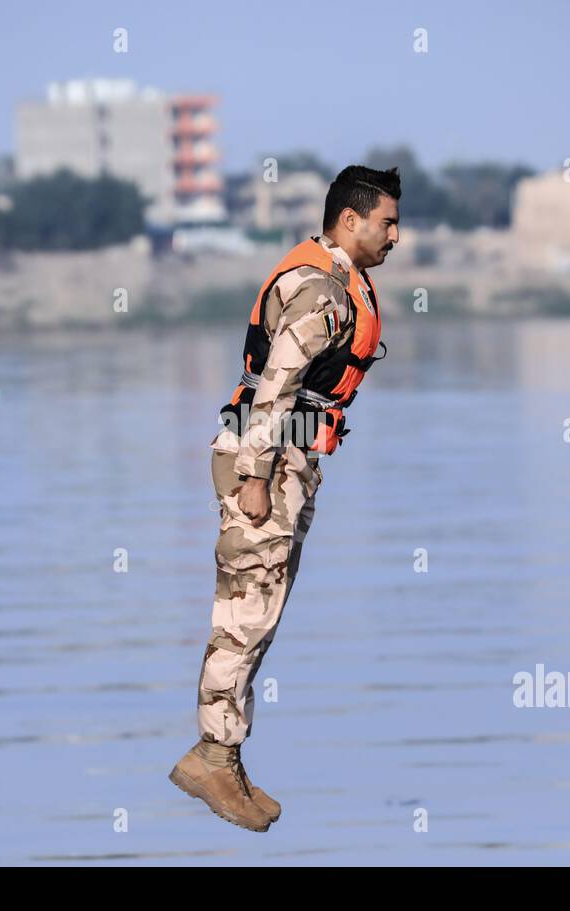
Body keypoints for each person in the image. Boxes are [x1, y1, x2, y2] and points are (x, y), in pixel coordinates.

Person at [169, 164, 401, 831]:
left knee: (260, 610)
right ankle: (211, 756)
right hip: (265, 459)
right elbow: (276, 386)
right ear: (349, 220)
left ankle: (226, 755)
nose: (394, 236)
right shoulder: (321, 292)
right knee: (243, 613)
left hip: (282, 456)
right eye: (386, 222)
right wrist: (254, 477)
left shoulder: (335, 282)